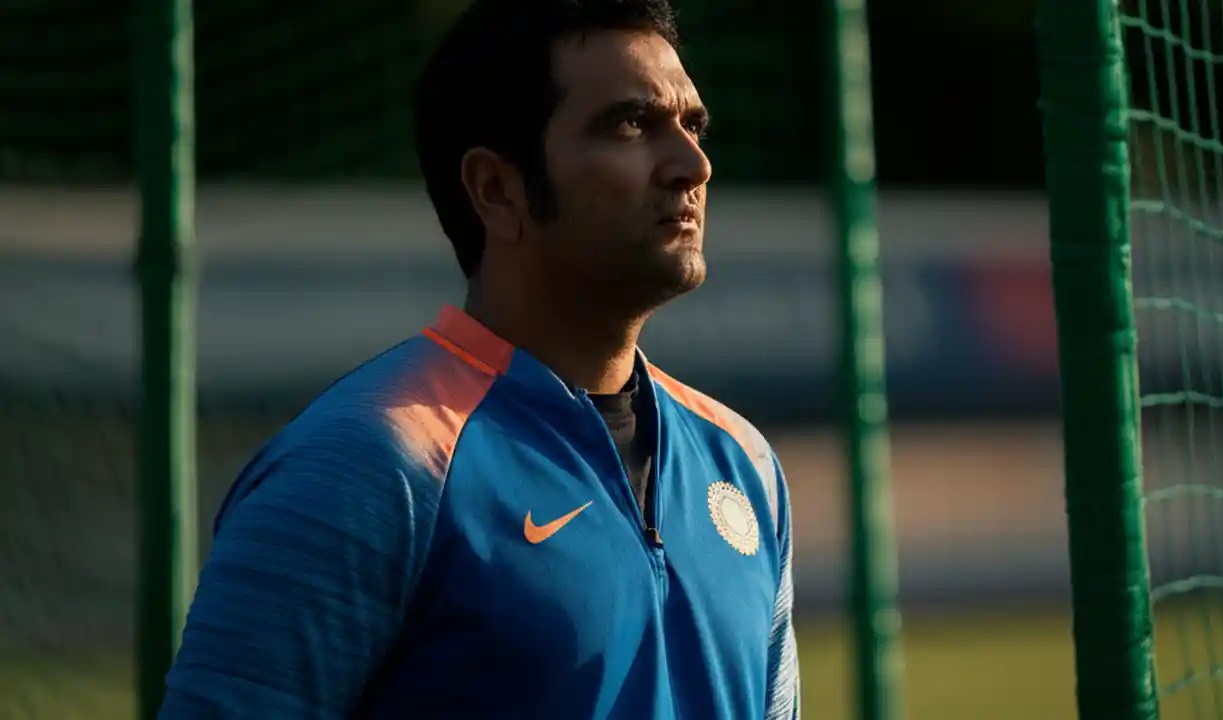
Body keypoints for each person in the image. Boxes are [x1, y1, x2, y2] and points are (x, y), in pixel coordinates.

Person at [159, 0, 800, 717]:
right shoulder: (370, 462)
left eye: (692, 125)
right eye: (631, 124)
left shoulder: (744, 465)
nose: (694, 165)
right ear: (498, 189)